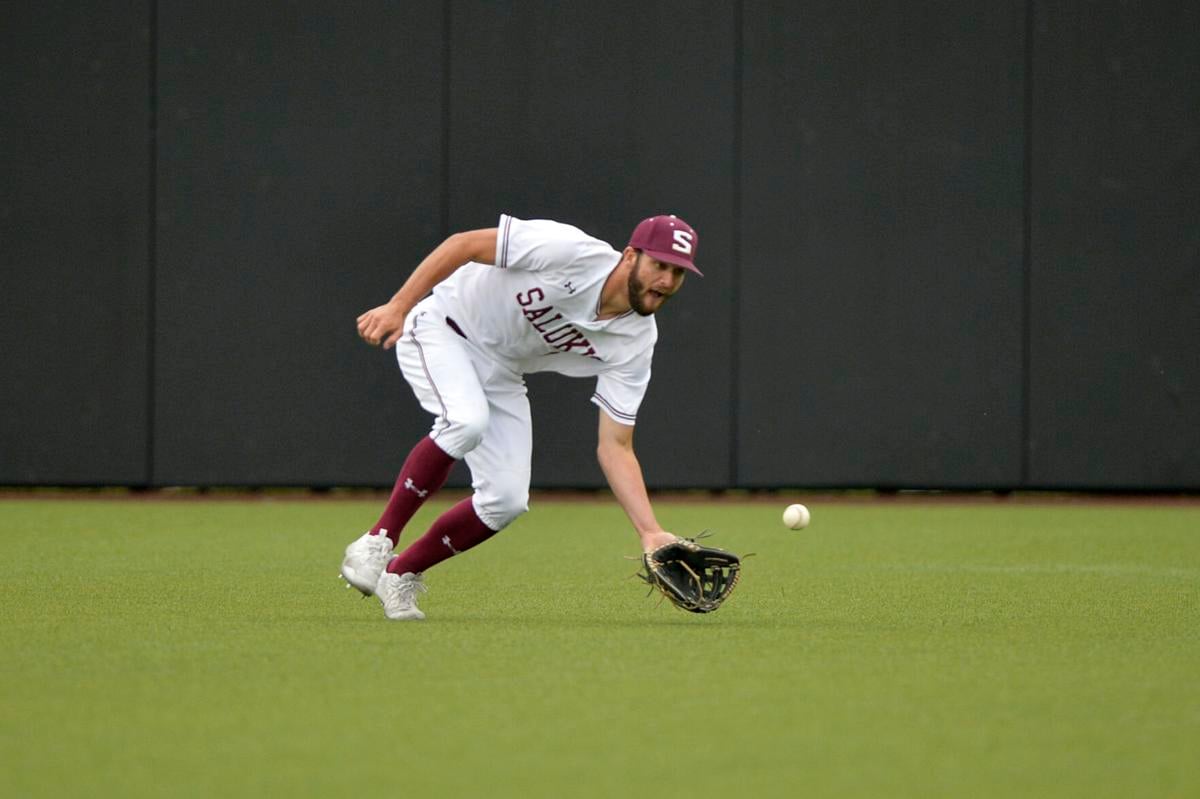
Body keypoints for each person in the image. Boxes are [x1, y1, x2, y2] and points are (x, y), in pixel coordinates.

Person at [340, 213, 702, 620]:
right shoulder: (571, 252)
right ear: (630, 256)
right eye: (659, 265)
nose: (667, 280)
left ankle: (400, 573)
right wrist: (399, 306)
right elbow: (463, 244)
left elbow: (616, 446)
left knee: (506, 501)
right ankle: (377, 540)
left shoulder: (636, 341)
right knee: (466, 421)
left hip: (502, 371)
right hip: (445, 326)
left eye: (678, 272)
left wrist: (650, 531)